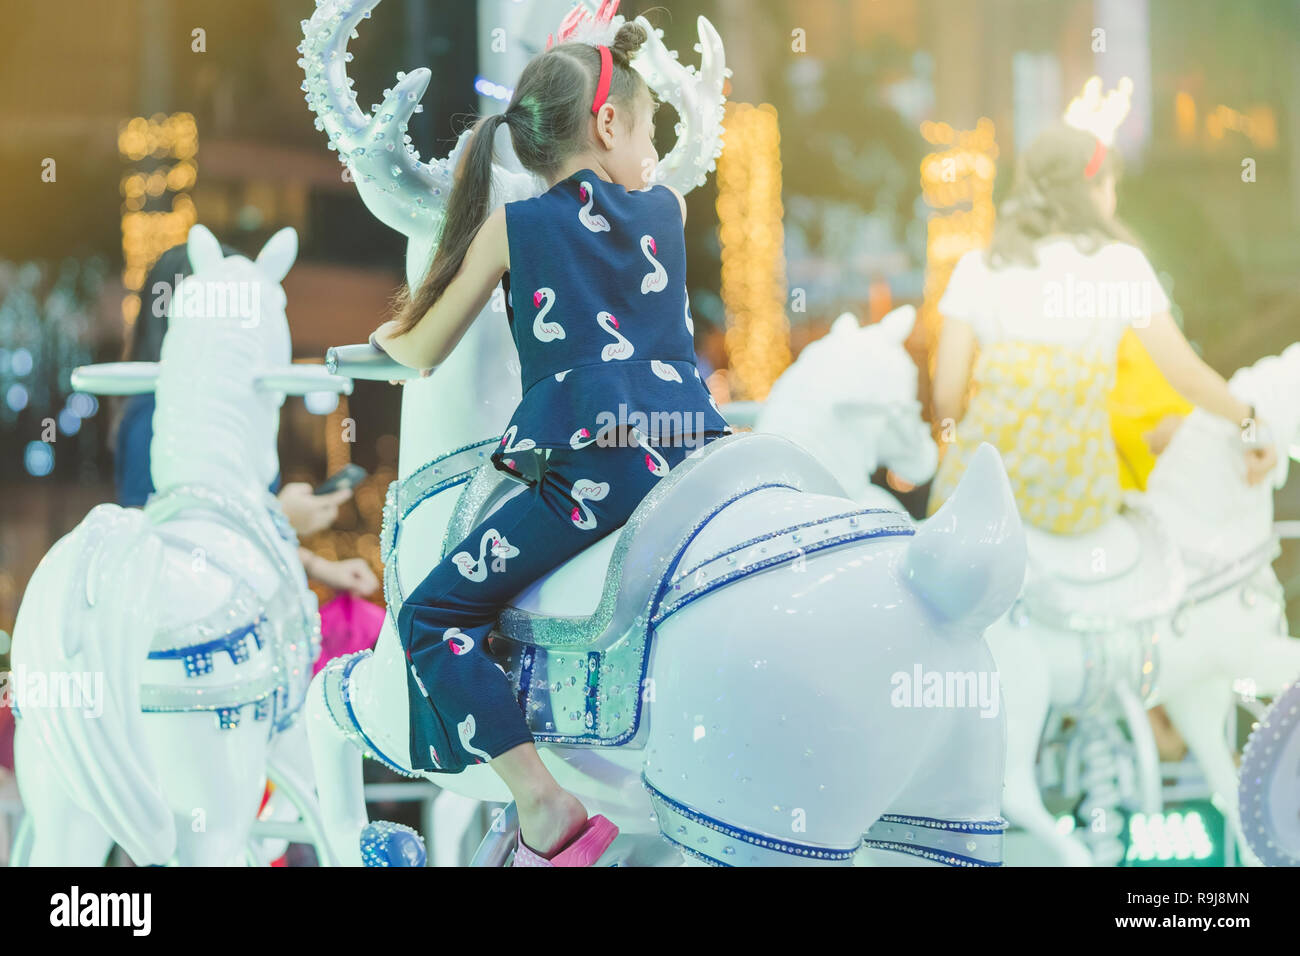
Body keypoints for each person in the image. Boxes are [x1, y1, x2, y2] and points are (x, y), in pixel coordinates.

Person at [370, 21, 731, 865]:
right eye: (647, 129)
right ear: (608, 126)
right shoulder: (668, 209)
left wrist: (383, 337)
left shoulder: (513, 229)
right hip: (694, 453)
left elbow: (422, 354)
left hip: (599, 477)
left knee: (429, 615)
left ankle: (541, 800)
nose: (650, 150)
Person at [929, 124, 1275, 534]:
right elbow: (1187, 377)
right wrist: (1252, 423)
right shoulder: (1120, 267)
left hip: (978, 504)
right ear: (1093, 191)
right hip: (1074, 508)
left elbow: (947, 399)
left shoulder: (978, 268)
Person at [114, 240, 377, 597]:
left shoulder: (240, 407)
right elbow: (167, 540)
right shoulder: (156, 415)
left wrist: (321, 567)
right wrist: (280, 517)